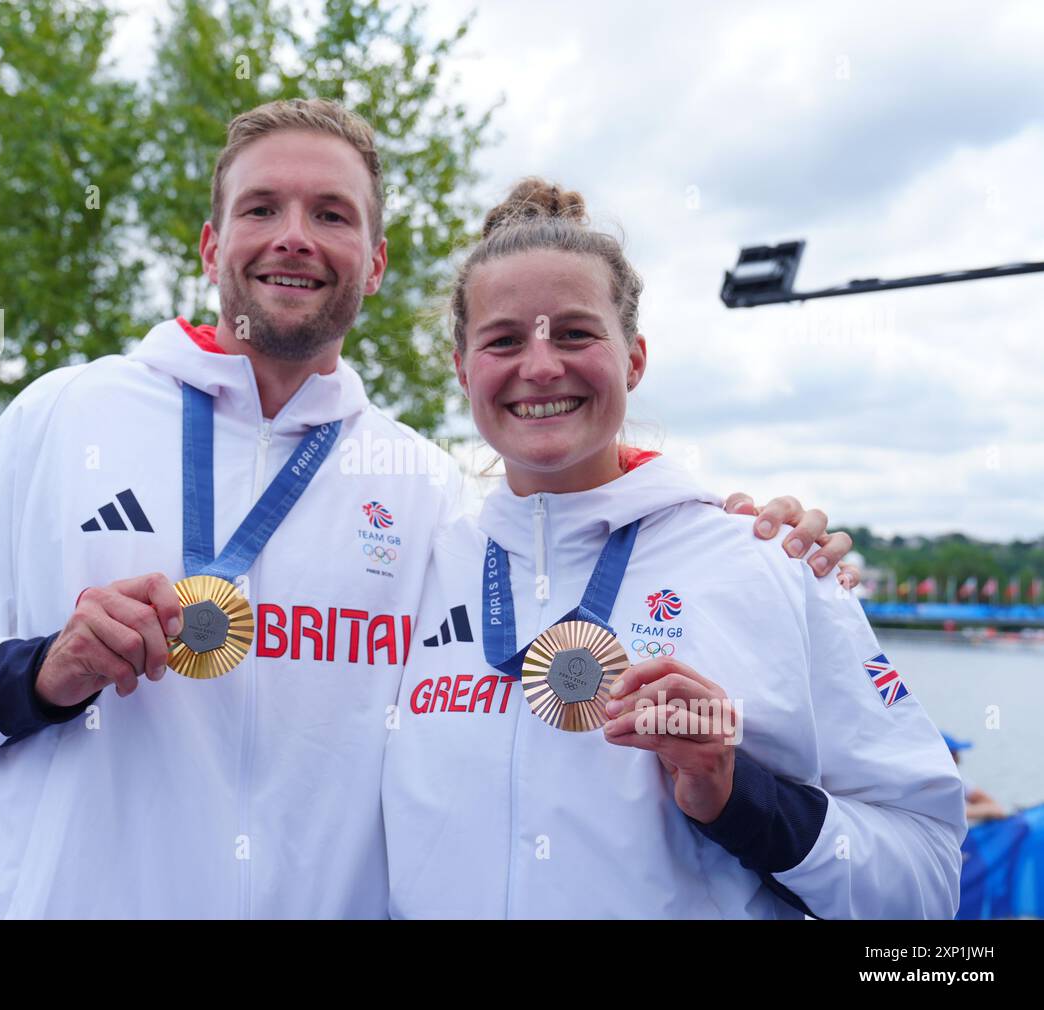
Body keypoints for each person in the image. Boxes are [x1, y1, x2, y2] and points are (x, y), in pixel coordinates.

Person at [0, 100, 855, 919]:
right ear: (214, 243)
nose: (295, 234)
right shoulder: (62, 413)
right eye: (263, 208)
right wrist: (44, 668)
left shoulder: (425, 485)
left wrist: (746, 539)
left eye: (332, 213)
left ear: (373, 263)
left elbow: (571, 535)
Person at [381, 179, 966, 919]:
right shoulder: (422, 567)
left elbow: (926, 877)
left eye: (574, 333)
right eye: (503, 340)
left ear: (634, 359)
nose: (539, 366)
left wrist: (733, 794)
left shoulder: (767, 563)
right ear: (464, 368)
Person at [943, 733, 1007, 822]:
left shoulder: (959, 781)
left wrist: (957, 812)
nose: (959, 759)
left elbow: (997, 809)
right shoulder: (925, 786)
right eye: (954, 753)